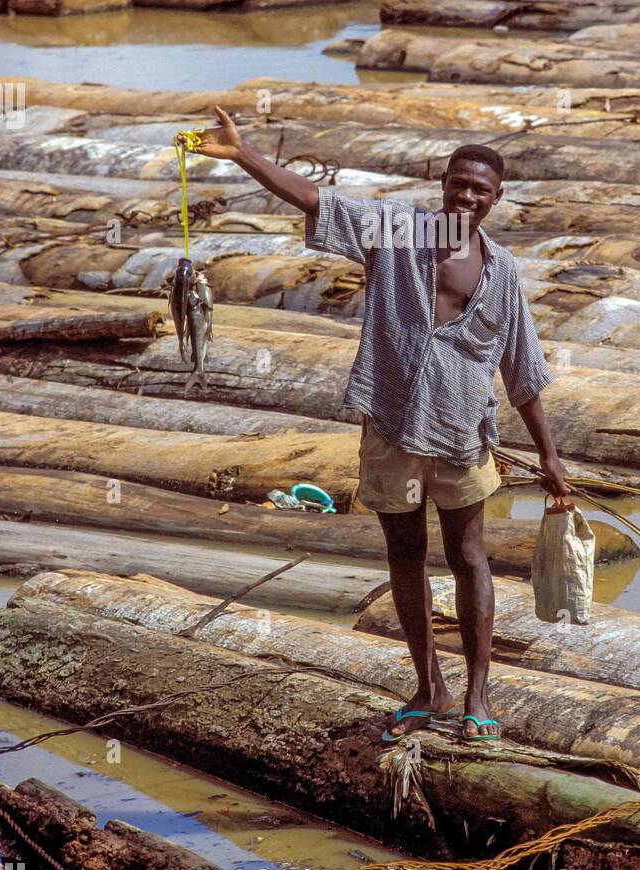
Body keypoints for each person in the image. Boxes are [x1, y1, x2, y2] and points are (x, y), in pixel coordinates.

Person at [195, 107, 573, 742]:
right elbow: (318, 198)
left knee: (469, 557)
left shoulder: (503, 271)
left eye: (481, 189)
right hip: (394, 426)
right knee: (405, 555)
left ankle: (478, 696)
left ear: (497, 199)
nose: (467, 195)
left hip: (464, 434)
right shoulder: (395, 232)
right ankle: (430, 688)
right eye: (458, 183)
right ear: (442, 184)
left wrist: (551, 454)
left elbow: (522, 372)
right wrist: (242, 154)